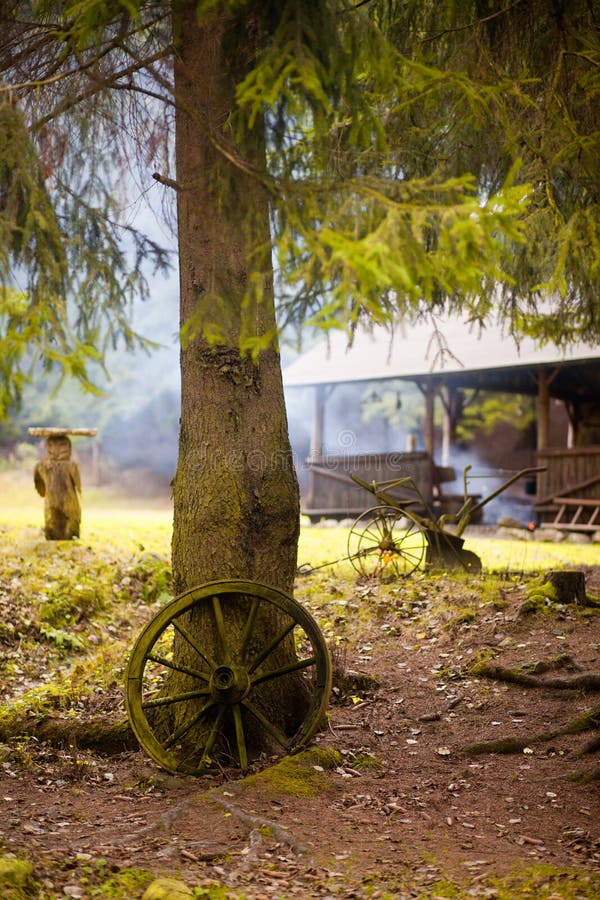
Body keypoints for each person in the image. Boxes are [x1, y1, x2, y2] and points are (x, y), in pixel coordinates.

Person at [34, 435, 82, 540]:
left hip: (68, 499)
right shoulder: (43, 466)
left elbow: (78, 483)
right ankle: (52, 535)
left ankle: (71, 536)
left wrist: (79, 487)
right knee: (51, 522)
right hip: (51, 501)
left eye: (62, 445)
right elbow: (39, 483)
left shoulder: (71, 465)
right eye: (51, 445)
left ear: (69, 447)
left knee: (71, 520)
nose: (56, 450)